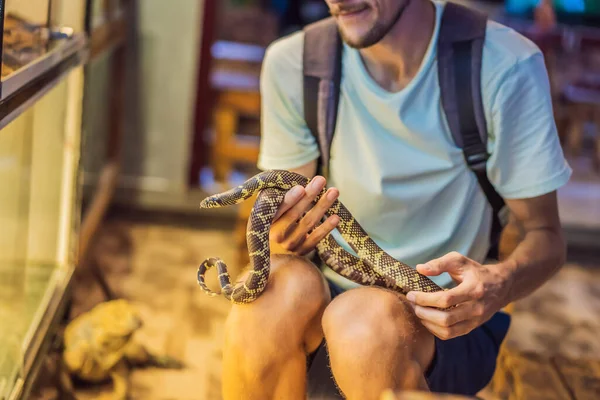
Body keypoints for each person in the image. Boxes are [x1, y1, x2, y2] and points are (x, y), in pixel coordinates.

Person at [220, 0, 572, 399]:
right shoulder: (294, 63)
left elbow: (546, 235)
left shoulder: (505, 64)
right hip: (327, 292)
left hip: (444, 315)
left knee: (363, 322)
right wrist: (283, 238)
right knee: (269, 294)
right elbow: (292, 228)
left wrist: (500, 284)